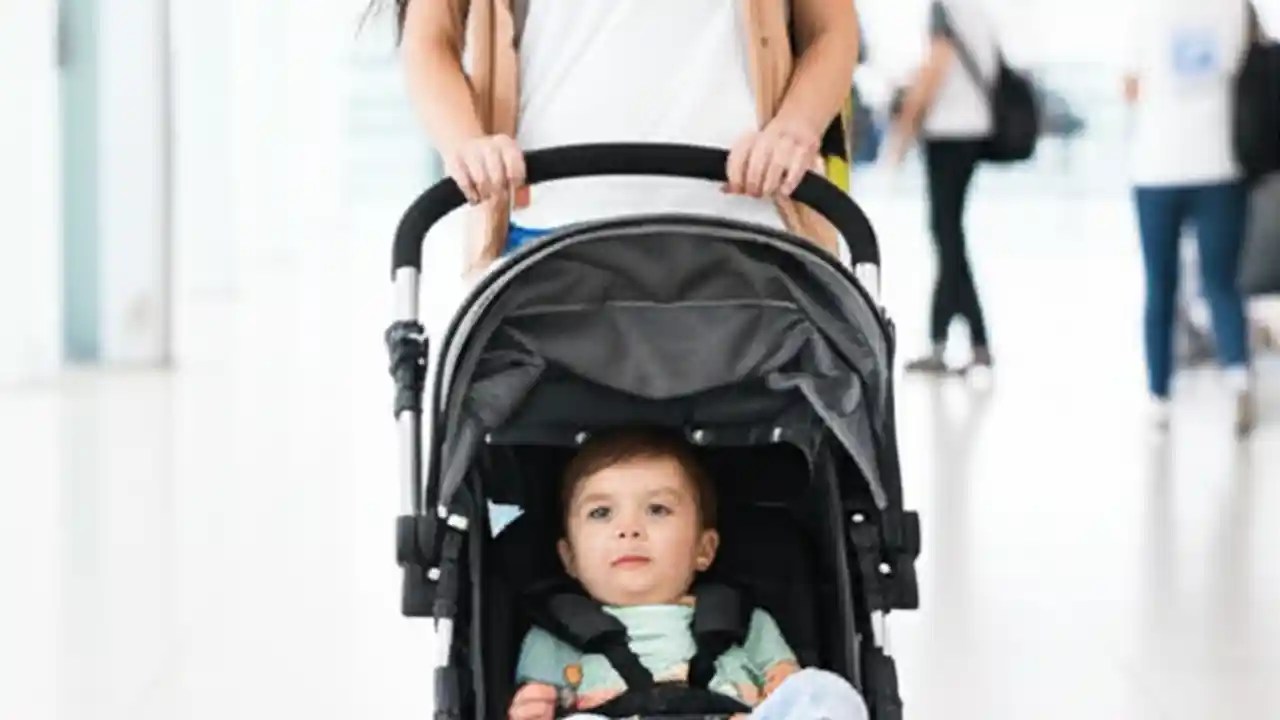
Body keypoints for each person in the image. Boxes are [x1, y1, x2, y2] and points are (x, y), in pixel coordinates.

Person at [387, 0, 859, 277]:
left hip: (747, 231)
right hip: (549, 238)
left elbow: (830, 30)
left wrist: (795, 127)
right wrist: (465, 143)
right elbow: (428, 41)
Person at [508, 430, 868, 720]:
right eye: (602, 513)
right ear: (569, 558)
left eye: (657, 509)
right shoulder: (552, 640)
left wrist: (781, 686)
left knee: (822, 693)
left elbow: (786, 685)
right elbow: (536, 704)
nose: (629, 529)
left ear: (704, 549)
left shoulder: (747, 624)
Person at [1122, 0, 1256, 435]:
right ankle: (1239, 380)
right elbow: (1247, 67)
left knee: (1161, 285)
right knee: (1222, 282)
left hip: (1157, 166)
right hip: (1220, 164)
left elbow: (1130, 86)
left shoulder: (1145, 10)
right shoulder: (1233, 7)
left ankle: (1159, 396)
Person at [887, 0, 999, 375]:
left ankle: (951, 345)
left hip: (948, 135)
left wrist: (902, 133)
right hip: (971, 132)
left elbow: (936, 68)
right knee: (949, 238)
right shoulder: (976, 11)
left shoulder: (945, 8)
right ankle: (970, 343)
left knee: (947, 239)